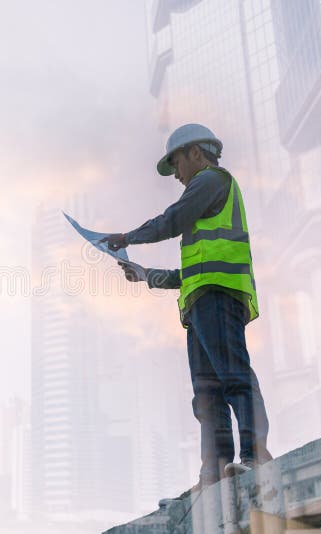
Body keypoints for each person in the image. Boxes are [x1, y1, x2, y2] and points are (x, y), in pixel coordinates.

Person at [100, 123, 272, 496]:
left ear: (196, 153)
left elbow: (172, 220)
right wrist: (147, 275)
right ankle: (214, 472)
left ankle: (257, 454)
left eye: (176, 164)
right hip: (200, 302)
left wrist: (127, 237)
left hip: (219, 295)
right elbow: (190, 272)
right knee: (207, 393)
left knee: (233, 376)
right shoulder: (205, 194)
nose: (176, 175)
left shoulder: (212, 180)